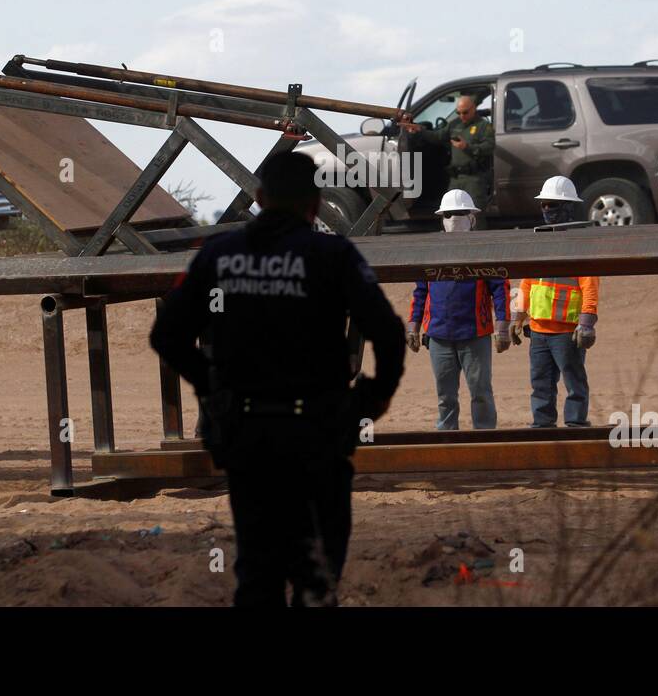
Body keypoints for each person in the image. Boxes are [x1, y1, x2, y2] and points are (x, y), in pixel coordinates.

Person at [150, 152, 405, 607]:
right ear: (316, 203)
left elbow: (167, 335)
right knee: (318, 573)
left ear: (259, 197)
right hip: (318, 433)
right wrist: (373, 397)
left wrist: (212, 388)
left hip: (248, 437)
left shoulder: (220, 254)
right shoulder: (332, 255)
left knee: (258, 572)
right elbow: (387, 332)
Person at [407, 189, 510, 430]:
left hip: (475, 335)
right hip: (438, 336)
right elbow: (420, 291)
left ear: (472, 218)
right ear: (442, 219)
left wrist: (503, 326)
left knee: (481, 393)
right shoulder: (430, 252)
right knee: (445, 397)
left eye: (460, 213)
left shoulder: (485, 251)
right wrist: (413, 325)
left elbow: (500, 289)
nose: (455, 219)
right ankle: (446, 441)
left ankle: (485, 439)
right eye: (450, 214)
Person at [512, 176, 600, 428]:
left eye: (553, 205)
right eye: (544, 205)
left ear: (569, 208)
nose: (547, 210)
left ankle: (575, 424)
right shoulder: (537, 242)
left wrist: (587, 323)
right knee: (540, 383)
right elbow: (527, 282)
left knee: (574, 381)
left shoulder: (581, 244)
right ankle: (542, 426)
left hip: (567, 331)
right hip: (538, 330)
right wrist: (518, 317)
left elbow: (589, 286)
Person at [400, 93, 495, 216]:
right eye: (458, 112)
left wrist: (468, 147)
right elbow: (438, 137)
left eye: (465, 112)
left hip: (474, 179)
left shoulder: (483, 126)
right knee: (450, 216)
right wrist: (419, 130)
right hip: (455, 179)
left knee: (474, 216)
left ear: (473, 108)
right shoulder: (455, 124)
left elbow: (489, 147)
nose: (462, 116)